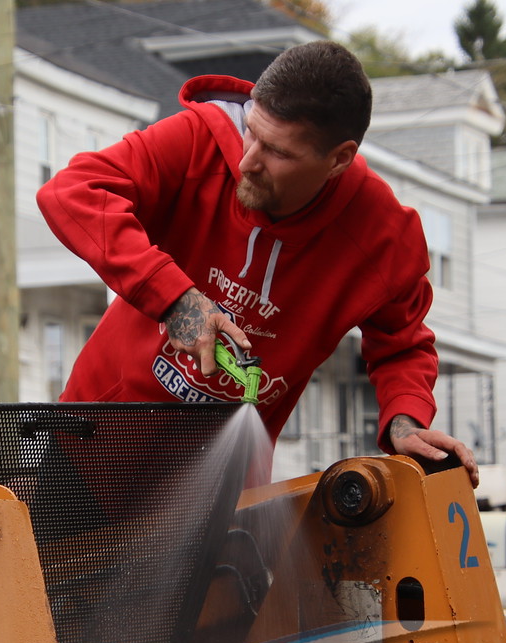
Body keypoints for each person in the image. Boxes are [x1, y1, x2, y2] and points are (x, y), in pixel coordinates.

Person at [36, 39, 479, 486]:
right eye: (251, 130)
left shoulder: (382, 236)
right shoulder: (198, 142)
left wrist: (405, 421)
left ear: (338, 159)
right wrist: (175, 299)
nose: (248, 160)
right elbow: (72, 191)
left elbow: (403, 344)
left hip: (216, 488)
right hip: (88, 452)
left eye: (279, 152)